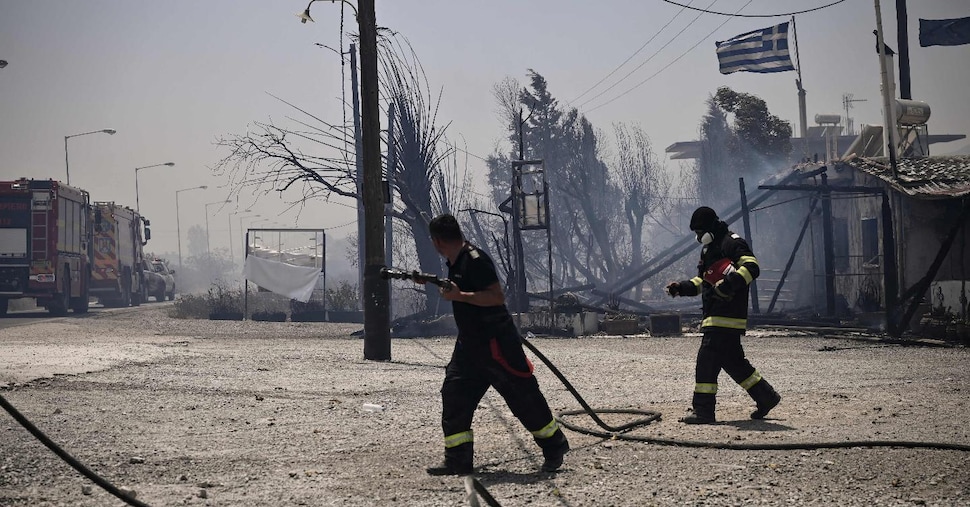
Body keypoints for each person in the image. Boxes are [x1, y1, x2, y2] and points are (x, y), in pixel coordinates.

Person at [424, 213, 569, 475]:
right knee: (455, 396)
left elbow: (496, 296)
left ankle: (554, 445)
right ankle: (458, 459)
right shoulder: (455, 262)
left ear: (436, 241)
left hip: (496, 344)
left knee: (523, 399)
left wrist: (460, 295)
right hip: (469, 347)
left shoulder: (475, 260)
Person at [665, 206, 781, 424]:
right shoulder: (709, 249)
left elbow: (752, 267)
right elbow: (703, 282)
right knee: (733, 361)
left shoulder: (731, 242)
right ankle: (766, 396)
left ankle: (703, 411)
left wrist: (729, 284)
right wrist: (681, 287)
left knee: (706, 360)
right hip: (715, 316)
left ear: (710, 227)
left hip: (726, 315)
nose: (698, 237)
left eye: (700, 231)